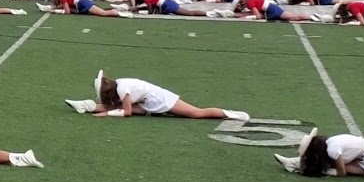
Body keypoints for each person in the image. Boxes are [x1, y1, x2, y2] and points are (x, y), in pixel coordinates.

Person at [64, 70, 251, 120]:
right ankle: (84, 105)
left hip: (159, 100)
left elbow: (127, 112)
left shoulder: (122, 89)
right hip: (148, 103)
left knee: (197, 113)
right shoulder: (119, 85)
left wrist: (106, 114)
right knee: (114, 107)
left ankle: (229, 114)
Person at [43, 0, 132, 17]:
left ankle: (121, 13)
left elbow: (67, 11)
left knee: (103, 13)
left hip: (83, 3)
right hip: (82, 3)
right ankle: (119, 10)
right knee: (102, 12)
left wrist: (55, 11)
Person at [138, 0, 231, 18]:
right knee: (189, 12)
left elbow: (150, 11)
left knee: (190, 13)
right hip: (168, 3)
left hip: (168, 6)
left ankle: (213, 13)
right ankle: (212, 13)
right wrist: (138, 9)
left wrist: (139, 11)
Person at [230, 0, 315, 22]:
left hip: (272, 10)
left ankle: (312, 17)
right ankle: (312, 17)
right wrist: (235, 15)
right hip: (269, 10)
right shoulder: (249, 3)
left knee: (294, 17)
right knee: (293, 17)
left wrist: (245, 17)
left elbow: (258, 16)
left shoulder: (250, 3)